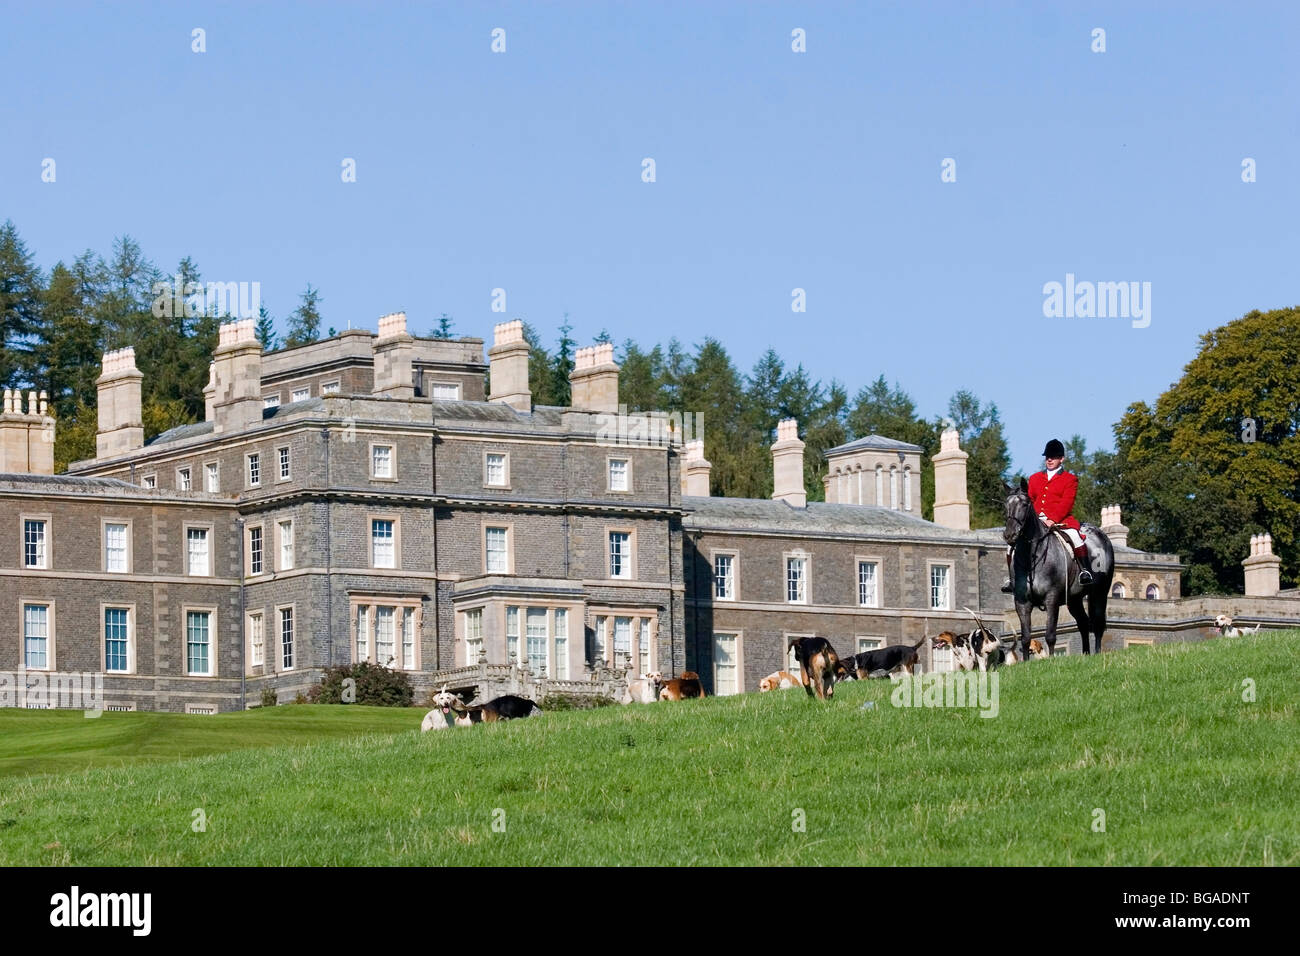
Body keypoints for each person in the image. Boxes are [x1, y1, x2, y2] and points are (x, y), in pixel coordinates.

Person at [1001, 438, 1093, 593]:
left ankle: (1085, 571)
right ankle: (1012, 579)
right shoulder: (1035, 478)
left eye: (1054, 457)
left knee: (1075, 537)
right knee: (1010, 546)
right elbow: (1029, 501)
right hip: (1037, 521)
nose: (1049, 459)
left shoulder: (1070, 479)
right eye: (1047, 457)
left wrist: (1053, 519)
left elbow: (1067, 502)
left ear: (1061, 459)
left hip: (1061, 521)